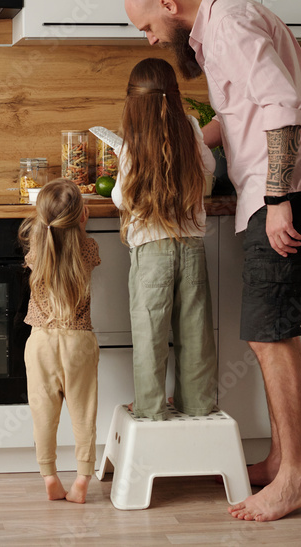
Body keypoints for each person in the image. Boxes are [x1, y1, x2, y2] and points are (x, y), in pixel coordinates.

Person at [124, 0, 301, 522]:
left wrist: (277, 198)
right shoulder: (218, 32)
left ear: (168, 4)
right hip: (268, 196)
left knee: (272, 335)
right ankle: (280, 460)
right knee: (267, 333)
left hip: (285, 195)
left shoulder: (231, 25)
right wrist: (189, 140)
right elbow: (239, 113)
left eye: (148, 26)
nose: (150, 39)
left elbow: (280, 106)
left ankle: (296, 477)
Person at [111, 58, 217, 422]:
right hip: (191, 247)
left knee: (150, 334)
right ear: (175, 96)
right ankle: (199, 405)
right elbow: (209, 171)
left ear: (132, 102)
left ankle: (151, 409)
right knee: (195, 332)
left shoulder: (132, 141)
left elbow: (122, 199)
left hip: (150, 251)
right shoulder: (190, 127)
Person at [18, 178, 101, 504]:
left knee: (43, 413)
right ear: (82, 216)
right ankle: (82, 480)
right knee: (84, 414)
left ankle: (50, 475)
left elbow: (48, 236)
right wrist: (82, 225)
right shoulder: (89, 248)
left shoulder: (36, 250)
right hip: (79, 341)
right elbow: (83, 247)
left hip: (40, 343)